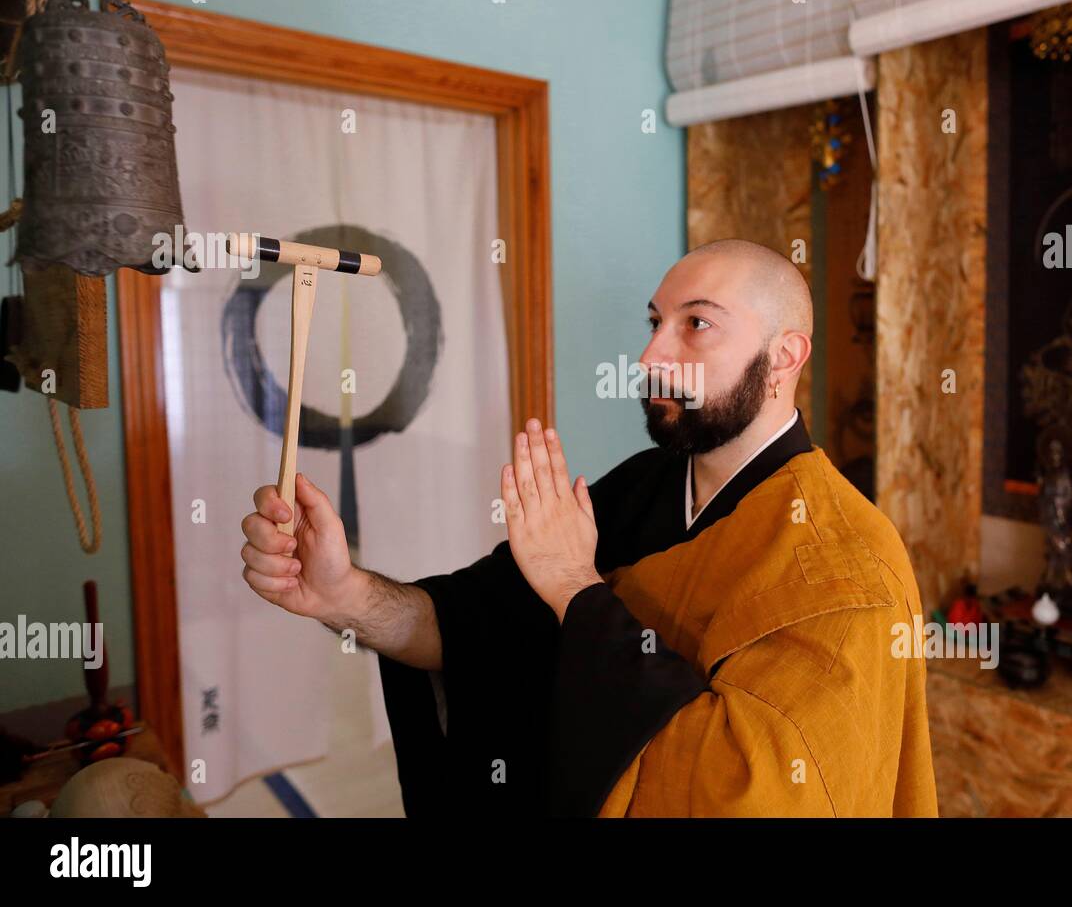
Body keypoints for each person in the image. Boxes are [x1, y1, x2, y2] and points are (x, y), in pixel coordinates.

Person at [239, 239, 938, 817]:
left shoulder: (843, 565)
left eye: (696, 324)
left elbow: (752, 795)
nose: (651, 359)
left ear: (785, 356)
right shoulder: (642, 487)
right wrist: (345, 594)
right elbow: (473, 630)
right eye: (654, 323)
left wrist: (578, 590)